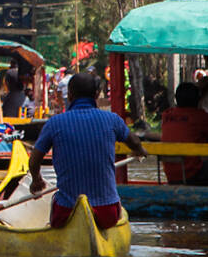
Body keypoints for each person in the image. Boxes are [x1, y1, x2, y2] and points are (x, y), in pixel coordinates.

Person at [26, 70, 148, 228]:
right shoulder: (112, 120)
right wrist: (139, 151)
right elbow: (135, 142)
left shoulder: (54, 123)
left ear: (69, 95)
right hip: (106, 211)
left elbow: (34, 160)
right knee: (114, 202)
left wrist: (37, 180)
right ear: (97, 95)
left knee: (56, 198)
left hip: (66, 211)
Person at [158, 76, 208, 184]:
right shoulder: (198, 116)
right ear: (197, 99)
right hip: (191, 174)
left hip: (172, 176)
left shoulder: (167, 115)